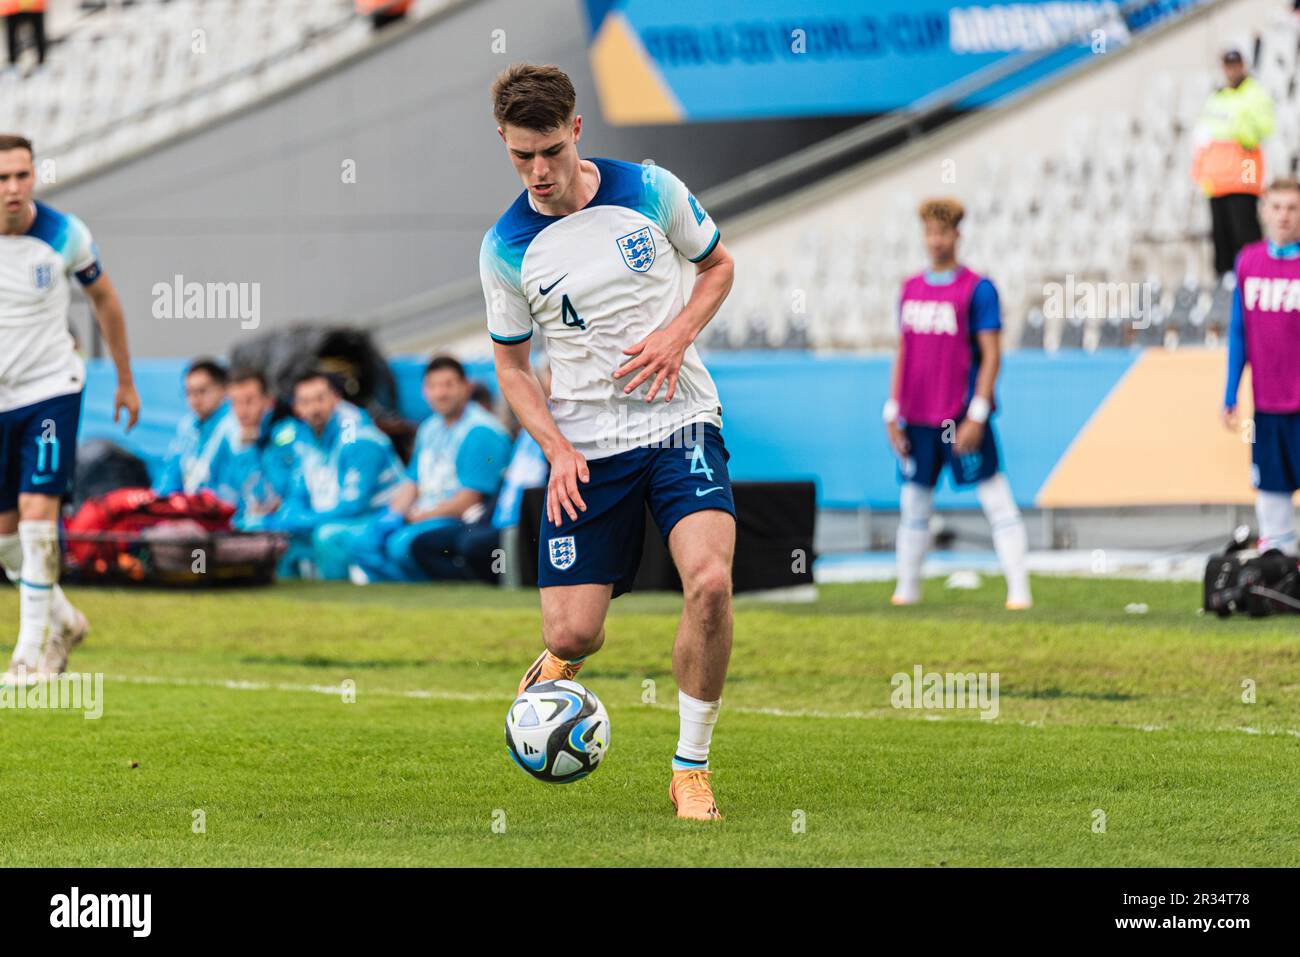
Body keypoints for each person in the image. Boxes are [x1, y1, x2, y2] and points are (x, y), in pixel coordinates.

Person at [481, 64, 736, 820]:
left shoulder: (651, 188)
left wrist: (676, 334)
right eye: (522, 154)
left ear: (577, 131)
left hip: (681, 419)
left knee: (711, 583)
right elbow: (511, 367)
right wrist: (557, 449)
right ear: (504, 141)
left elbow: (718, 265)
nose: (539, 171)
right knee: (575, 629)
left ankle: (690, 768)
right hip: (587, 446)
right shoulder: (505, 246)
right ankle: (561, 659)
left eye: (551, 151)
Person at [0, 133, 139, 682]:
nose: (13, 188)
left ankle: (28, 653)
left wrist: (125, 381)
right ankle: (65, 620)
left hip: (51, 388)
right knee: (5, 538)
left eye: (22, 175)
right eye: (2, 178)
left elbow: (106, 299)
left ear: (34, 176)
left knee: (38, 516)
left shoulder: (64, 233)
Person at [885, 197, 1031, 610]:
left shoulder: (977, 289)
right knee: (913, 502)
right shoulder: (909, 289)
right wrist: (892, 410)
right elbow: (903, 351)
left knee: (994, 498)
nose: (934, 240)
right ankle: (907, 589)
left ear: (956, 235)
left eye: (942, 232)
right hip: (916, 416)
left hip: (959, 414)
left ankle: (1019, 590)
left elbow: (992, 354)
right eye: (929, 232)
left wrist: (978, 412)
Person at [347, 355, 511, 582]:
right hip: (424, 515)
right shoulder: (429, 428)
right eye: (433, 386)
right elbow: (411, 482)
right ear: (424, 391)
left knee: (400, 545)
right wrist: (394, 514)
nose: (441, 393)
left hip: (462, 521)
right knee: (363, 541)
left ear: (466, 387)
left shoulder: (481, 431)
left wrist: (420, 517)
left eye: (448, 385)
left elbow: (470, 500)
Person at [262, 371, 402, 580]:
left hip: (374, 518)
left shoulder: (356, 436)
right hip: (330, 518)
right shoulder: (305, 439)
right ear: (296, 408)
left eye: (320, 399)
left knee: (327, 536)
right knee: (276, 537)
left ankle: (340, 601)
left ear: (335, 399)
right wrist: (289, 515)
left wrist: (302, 521)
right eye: (306, 401)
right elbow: (297, 492)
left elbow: (353, 506)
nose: (314, 408)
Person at [1222, 178, 1300, 554]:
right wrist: (1229, 392)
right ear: (1264, 210)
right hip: (1265, 407)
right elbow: (1239, 331)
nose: (1284, 215)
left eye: (1292, 207)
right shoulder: (1248, 261)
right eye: (1278, 206)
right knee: (1271, 494)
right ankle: (1279, 581)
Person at [1191, 49, 1276, 279]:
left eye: (1235, 64)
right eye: (1228, 65)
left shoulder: (1254, 93)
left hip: (1243, 175)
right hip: (1217, 179)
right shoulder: (1216, 97)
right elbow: (1204, 136)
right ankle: (1225, 285)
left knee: (1245, 230)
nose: (1231, 70)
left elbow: (1261, 129)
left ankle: (1257, 276)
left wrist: (1236, 125)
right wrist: (1200, 172)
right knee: (1221, 237)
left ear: (1243, 65)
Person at [207, 368, 297, 529]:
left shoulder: (286, 435)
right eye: (235, 403)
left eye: (249, 401)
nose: (242, 411)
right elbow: (222, 493)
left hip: (284, 527)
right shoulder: (236, 438)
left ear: (268, 401)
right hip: (250, 525)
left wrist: (247, 451)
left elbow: (264, 500)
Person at [152, 358, 235, 497]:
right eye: (189, 393)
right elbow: (170, 472)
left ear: (223, 390)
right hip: (189, 508)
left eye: (202, 391)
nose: (194, 399)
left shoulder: (233, 426)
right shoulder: (187, 426)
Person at [3, 0, 47, 70]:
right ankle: (12, 64)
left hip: (33, 6)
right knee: (12, 36)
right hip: (14, 6)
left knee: (39, 34)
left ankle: (42, 63)